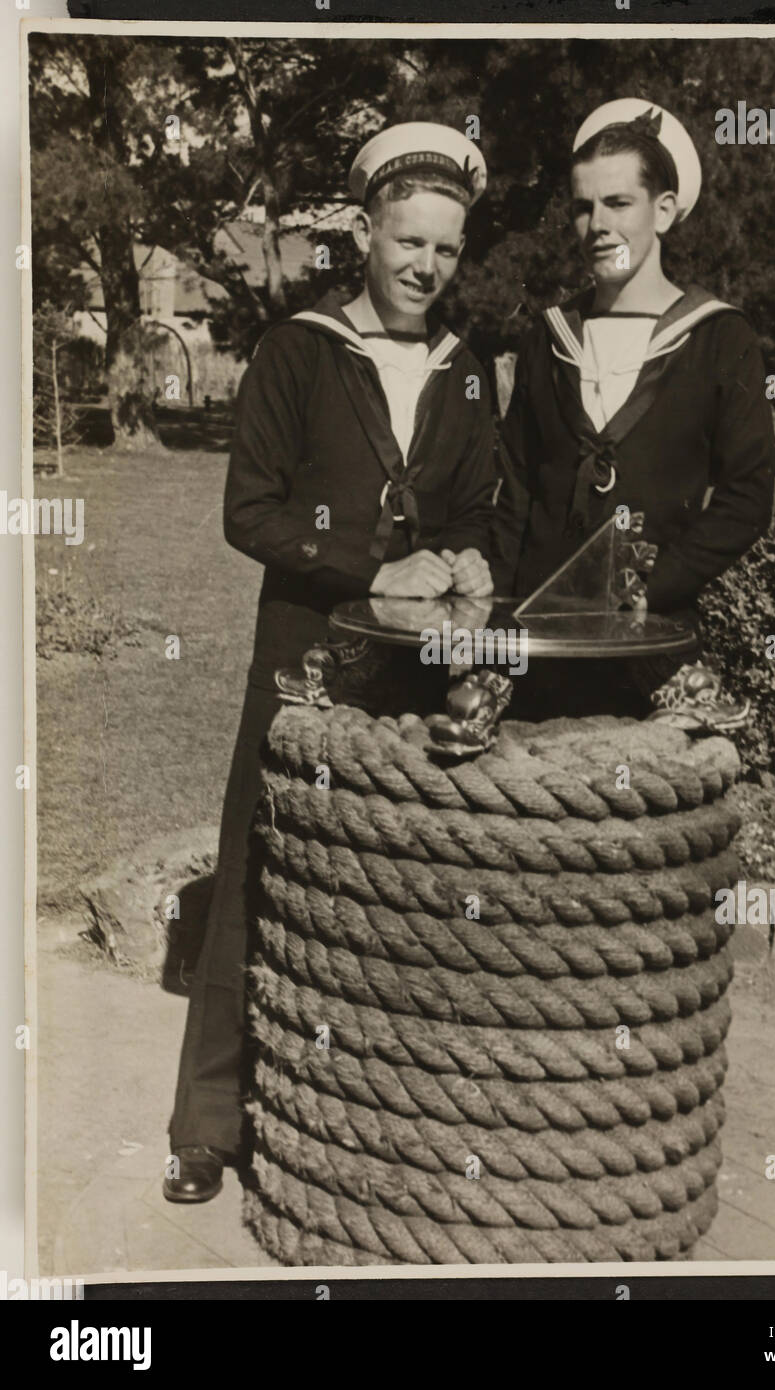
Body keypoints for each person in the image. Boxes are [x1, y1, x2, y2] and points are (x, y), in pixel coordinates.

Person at [164, 123, 495, 1203]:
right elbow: (247, 511)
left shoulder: (469, 370)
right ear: (364, 231)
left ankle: (371, 1127)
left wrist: (465, 561)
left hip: (417, 672)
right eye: (407, 241)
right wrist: (365, 567)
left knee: (394, 884)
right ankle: (209, 1123)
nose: (424, 267)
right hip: (299, 652)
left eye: (446, 250)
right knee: (257, 864)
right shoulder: (295, 349)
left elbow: (477, 509)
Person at [491, 97, 775, 727]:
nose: (598, 224)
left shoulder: (721, 338)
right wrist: (496, 623)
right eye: (583, 207)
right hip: (539, 646)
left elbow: (746, 499)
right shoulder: (549, 335)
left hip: (654, 648)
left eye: (618, 204)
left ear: (664, 210)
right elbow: (514, 488)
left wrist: (649, 591)